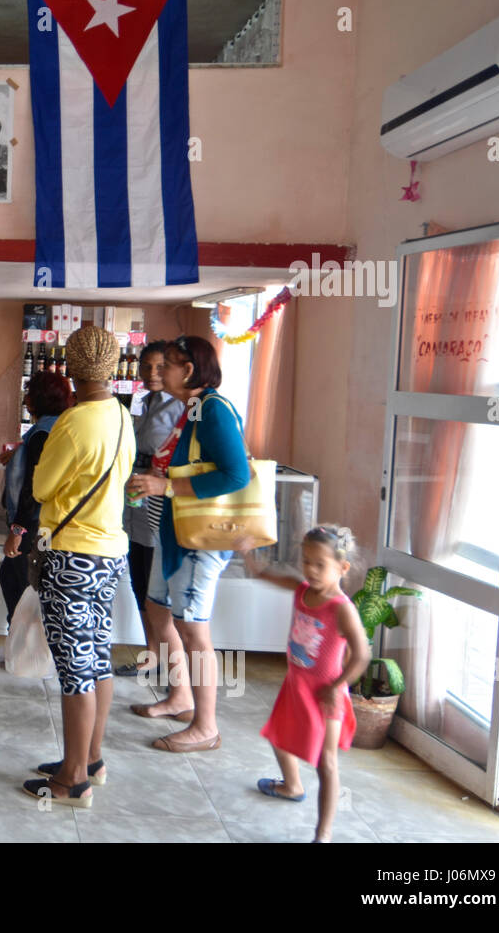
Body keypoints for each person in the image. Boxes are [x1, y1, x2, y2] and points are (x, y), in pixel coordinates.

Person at [22, 325, 136, 807]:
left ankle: (72, 780)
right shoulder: (122, 416)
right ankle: (91, 758)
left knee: (75, 669)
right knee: (97, 655)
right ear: (112, 369)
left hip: (71, 554)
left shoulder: (73, 422)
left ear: (69, 366)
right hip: (110, 552)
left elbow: (42, 487)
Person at [127, 335, 250, 753]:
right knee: (158, 613)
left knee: (194, 630)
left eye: (170, 365)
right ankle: (180, 696)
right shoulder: (191, 410)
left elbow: (236, 476)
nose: (159, 373)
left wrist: (166, 485)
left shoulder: (212, 410)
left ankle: (206, 725)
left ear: (191, 370)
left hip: (201, 538)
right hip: (173, 532)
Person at [238, 525, 370, 843]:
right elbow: (264, 575)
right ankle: (292, 785)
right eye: (306, 560)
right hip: (296, 683)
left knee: (326, 763)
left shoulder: (342, 609)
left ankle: (322, 834)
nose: (310, 569)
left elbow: (361, 655)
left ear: (342, 568)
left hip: (326, 694)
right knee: (278, 735)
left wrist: (337, 686)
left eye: (319, 564)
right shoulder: (302, 590)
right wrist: (247, 555)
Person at [0, 370, 73, 663]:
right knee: (21, 581)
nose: (25, 398)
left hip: (34, 524)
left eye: (29, 392)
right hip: (49, 523)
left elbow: (34, 488)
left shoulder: (42, 434)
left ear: (40, 398)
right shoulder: (55, 428)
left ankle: (23, 652)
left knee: (19, 583)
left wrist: (18, 529)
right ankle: (21, 647)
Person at [115, 341, 186, 677]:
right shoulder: (145, 402)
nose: (152, 374)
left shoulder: (182, 407)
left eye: (160, 367)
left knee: (157, 590)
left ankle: (169, 665)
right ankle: (150, 653)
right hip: (136, 496)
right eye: (146, 367)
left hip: (160, 498)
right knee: (139, 579)